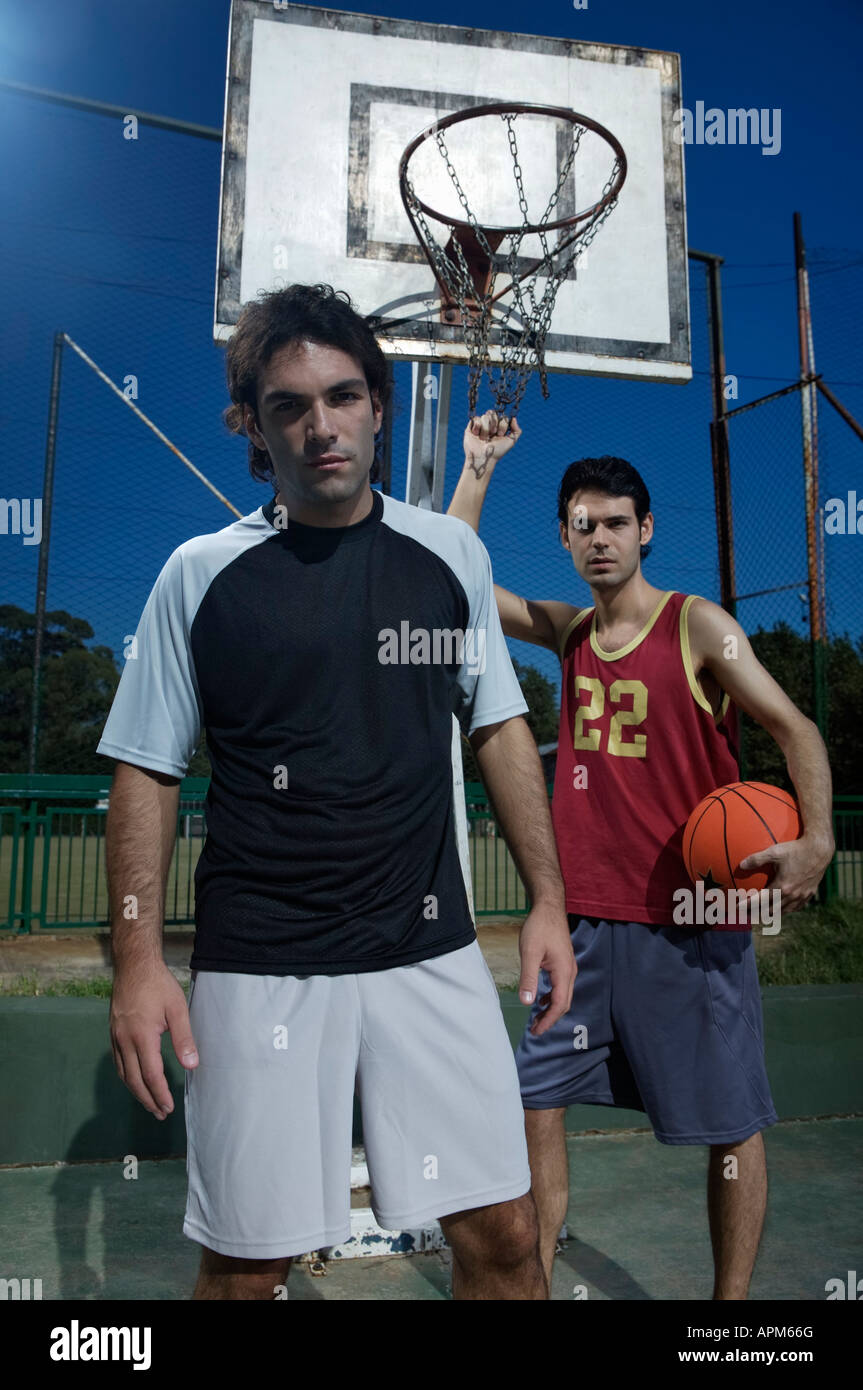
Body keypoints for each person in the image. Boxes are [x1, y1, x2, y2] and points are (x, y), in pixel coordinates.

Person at [98, 285, 576, 1301]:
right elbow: (144, 768)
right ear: (254, 426)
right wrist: (138, 962)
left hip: (428, 947)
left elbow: (496, 727)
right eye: (288, 405)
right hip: (262, 960)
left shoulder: (448, 555)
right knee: (243, 1268)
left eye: (343, 396)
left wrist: (545, 901)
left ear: (377, 407)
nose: (320, 425)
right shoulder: (199, 575)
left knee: (502, 1233)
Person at [448, 411, 835, 1300]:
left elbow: (796, 729)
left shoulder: (697, 626)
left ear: (646, 528)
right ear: (564, 536)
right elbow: (461, 571)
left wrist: (815, 841)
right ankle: (535, 1283)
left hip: (690, 925)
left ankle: (728, 1315)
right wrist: (478, 467)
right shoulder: (570, 633)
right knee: (535, 1105)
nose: (599, 539)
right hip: (580, 925)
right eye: (582, 525)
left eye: (615, 522)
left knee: (730, 1127)